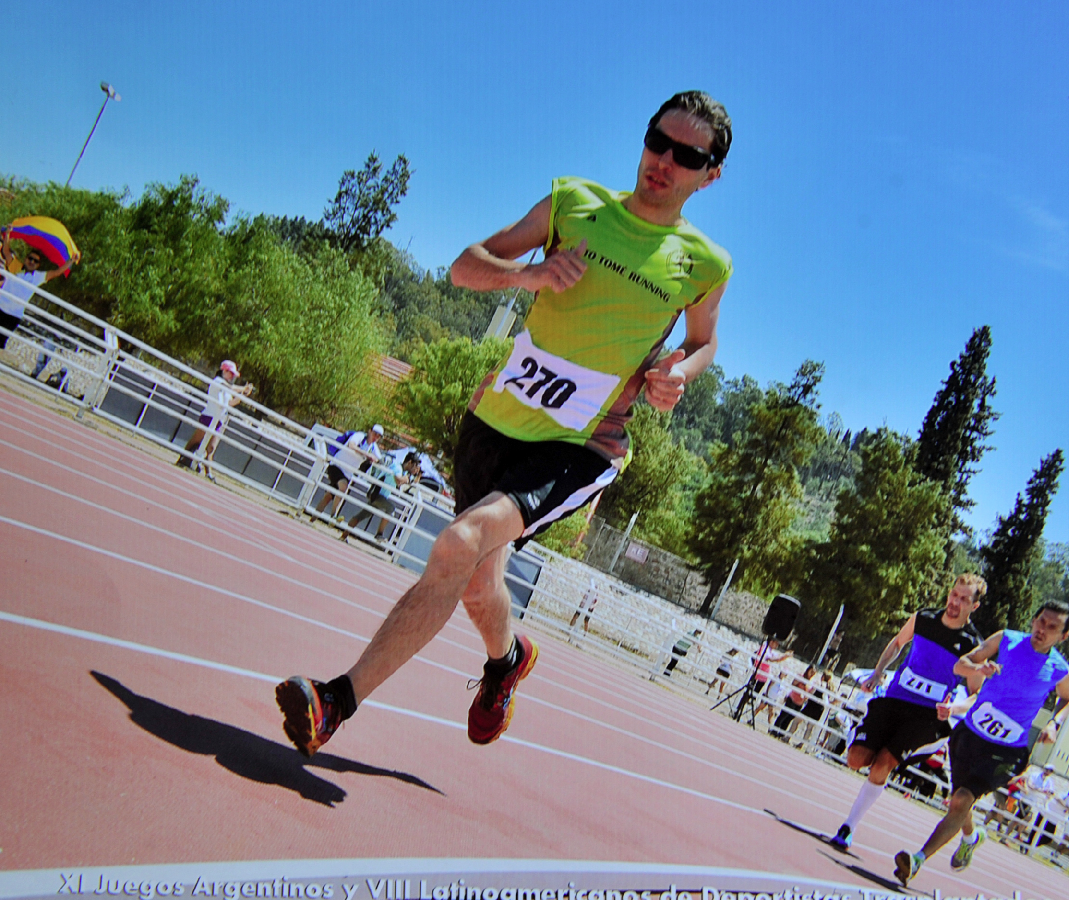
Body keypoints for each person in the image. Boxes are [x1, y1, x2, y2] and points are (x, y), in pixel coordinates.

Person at [276, 90, 733, 756]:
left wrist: (678, 375)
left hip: (580, 443)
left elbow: (703, 343)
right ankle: (507, 660)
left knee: (460, 543)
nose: (663, 161)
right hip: (494, 419)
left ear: (709, 174)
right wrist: (531, 274)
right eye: (657, 142)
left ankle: (335, 702)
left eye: (686, 155)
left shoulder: (703, 263)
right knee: (478, 583)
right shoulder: (574, 203)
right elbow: (466, 266)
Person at [893, 600, 1069, 887]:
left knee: (962, 800)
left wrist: (1054, 722)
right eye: (1041, 620)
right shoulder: (1006, 639)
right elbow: (962, 663)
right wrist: (980, 668)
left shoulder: (1060, 670)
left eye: (1052, 627)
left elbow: (1067, 698)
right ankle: (972, 836)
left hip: (1008, 748)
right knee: (959, 802)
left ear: (1063, 636)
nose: (1042, 629)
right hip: (970, 734)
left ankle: (917, 860)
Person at [828, 573, 986, 851]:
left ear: (974, 606)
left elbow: (975, 696)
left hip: (926, 715)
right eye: (953, 594)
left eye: (963, 599)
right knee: (856, 759)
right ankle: (859, 731)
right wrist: (878, 673)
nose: (955, 602)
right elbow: (897, 643)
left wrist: (954, 708)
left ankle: (848, 827)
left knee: (882, 764)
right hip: (895, 699)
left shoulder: (974, 645)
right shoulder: (924, 618)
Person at [0, 240, 74, 377]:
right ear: (26, 258)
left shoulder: (38, 277)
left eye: (35, 261)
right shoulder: (15, 267)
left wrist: (70, 261)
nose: (32, 262)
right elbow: (6, 251)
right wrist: (8, 235)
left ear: (38, 265)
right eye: (30, 258)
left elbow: (57, 272)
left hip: (13, 316)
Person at [175, 360, 253, 482]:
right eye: (230, 373)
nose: (232, 377)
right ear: (224, 371)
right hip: (209, 417)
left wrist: (243, 395)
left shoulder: (227, 388)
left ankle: (208, 472)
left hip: (219, 420)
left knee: (210, 448)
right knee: (196, 440)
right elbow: (231, 388)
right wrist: (242, 388)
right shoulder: (218, 381)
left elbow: (230, 403)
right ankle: (183, 459)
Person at [346, 452, 422, 543]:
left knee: (363, 515)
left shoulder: (403, 471)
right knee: (391, 509)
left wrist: (417, 475)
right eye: (414, 465)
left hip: (379, 495)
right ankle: (379, 534)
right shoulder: (397, 467)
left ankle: (344, 535)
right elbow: (398, 481)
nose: (414, 468)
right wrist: (408, 477)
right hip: (377, 494)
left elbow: (410, 482)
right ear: (409, 462)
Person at [314, 425, 385, 521]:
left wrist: (377, 460)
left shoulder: (373, 448)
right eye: (375, 434)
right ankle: (333, 517)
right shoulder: (360, 436)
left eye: (379, 436)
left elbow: (380, 460)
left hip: (348, 473)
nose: (376, 437)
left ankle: (312, 518)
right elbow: (351, 445)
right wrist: (366, 454)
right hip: (337, 465)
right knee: (343, 487)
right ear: (369, 431)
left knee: (328, 496)